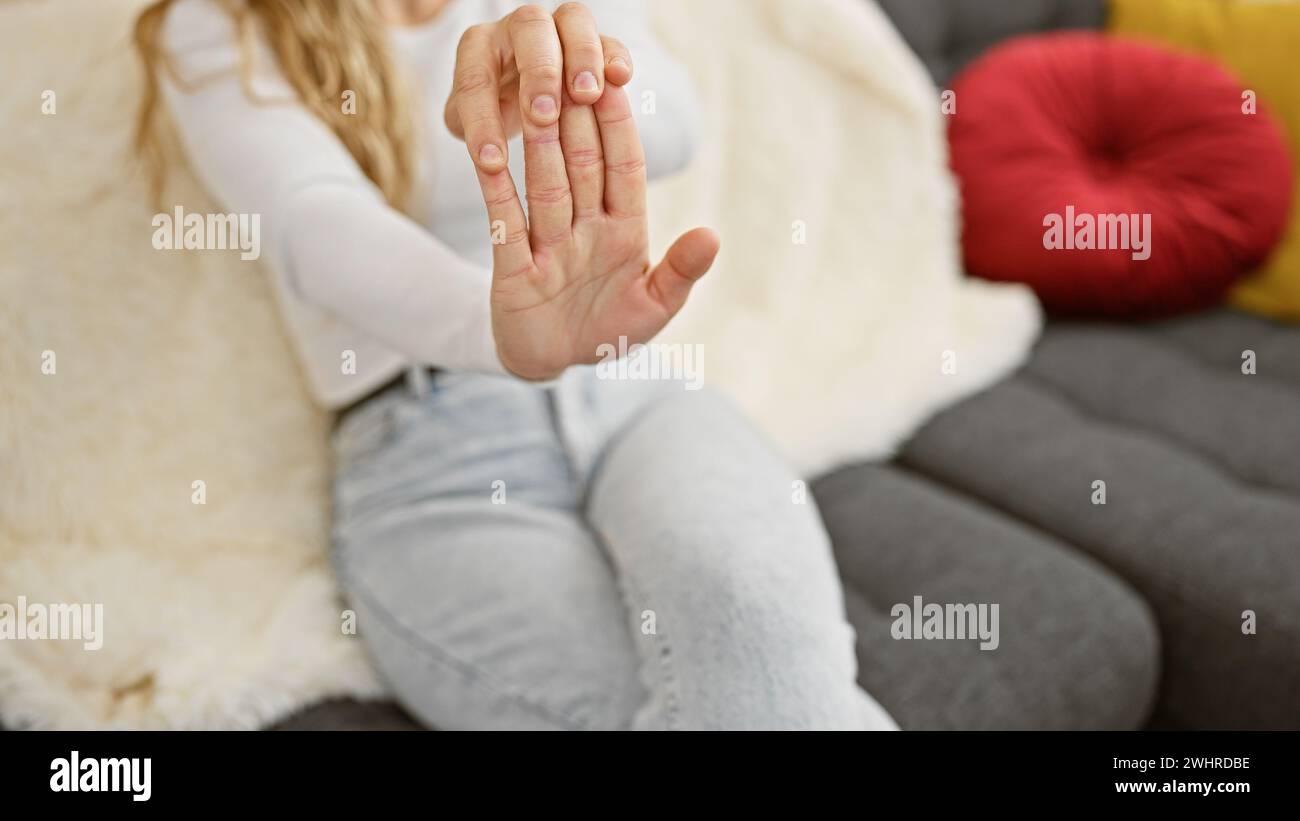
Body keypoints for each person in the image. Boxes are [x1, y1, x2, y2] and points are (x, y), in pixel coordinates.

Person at [133, 0, 899, 730]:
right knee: (753, 701)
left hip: (633, 393)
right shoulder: (219, 25)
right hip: (434, 453)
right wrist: (496, 331)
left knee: (752, 612)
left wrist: (569, 90)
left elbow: (674, 122)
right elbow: (314, 220)